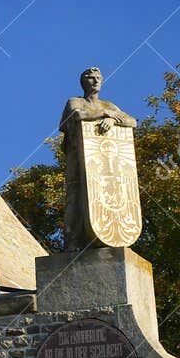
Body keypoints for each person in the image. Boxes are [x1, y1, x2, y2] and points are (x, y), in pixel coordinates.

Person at [59, 67, 137, 248]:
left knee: (105, 198)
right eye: (91, 78)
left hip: (103, 169)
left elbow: (132, 121)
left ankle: (109, 236)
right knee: (76, 199)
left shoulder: (108, 105)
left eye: (98, 78)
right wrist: (103, 114)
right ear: (83, 82)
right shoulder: (75, 101)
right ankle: (73, 241)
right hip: (78, 161)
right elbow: (78, 115)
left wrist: (112, 119)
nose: (96, 81)